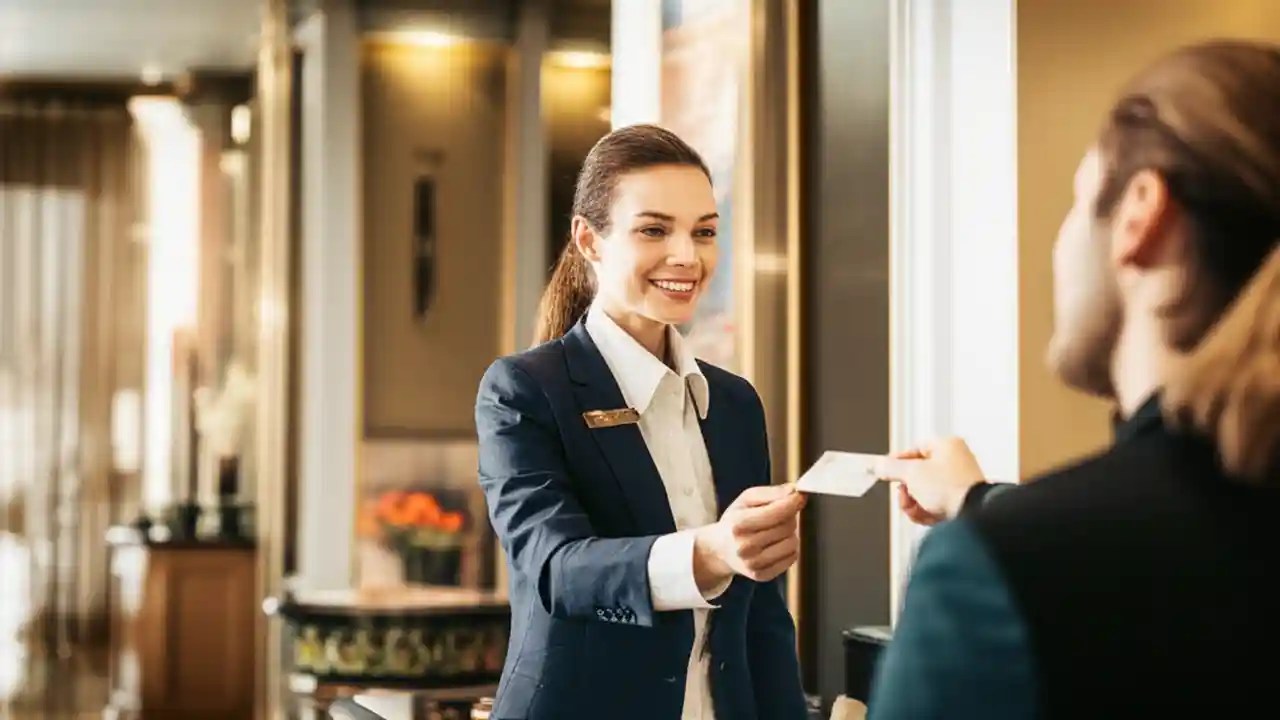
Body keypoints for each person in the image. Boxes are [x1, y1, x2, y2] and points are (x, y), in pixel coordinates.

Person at [872, 40, 1280, 718]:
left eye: (1077, 197)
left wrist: (986, 532)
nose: (1061, 245)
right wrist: (975, 499)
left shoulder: (997, 574)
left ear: (1140, 215)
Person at [475, 124, 807, 720]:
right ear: (589, 240)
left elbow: (762, 619)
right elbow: (558, 569)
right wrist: (710, 553)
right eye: (654, 229)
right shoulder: (524, 389)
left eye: (704, 232)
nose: (687, 256)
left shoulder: (734, 403)